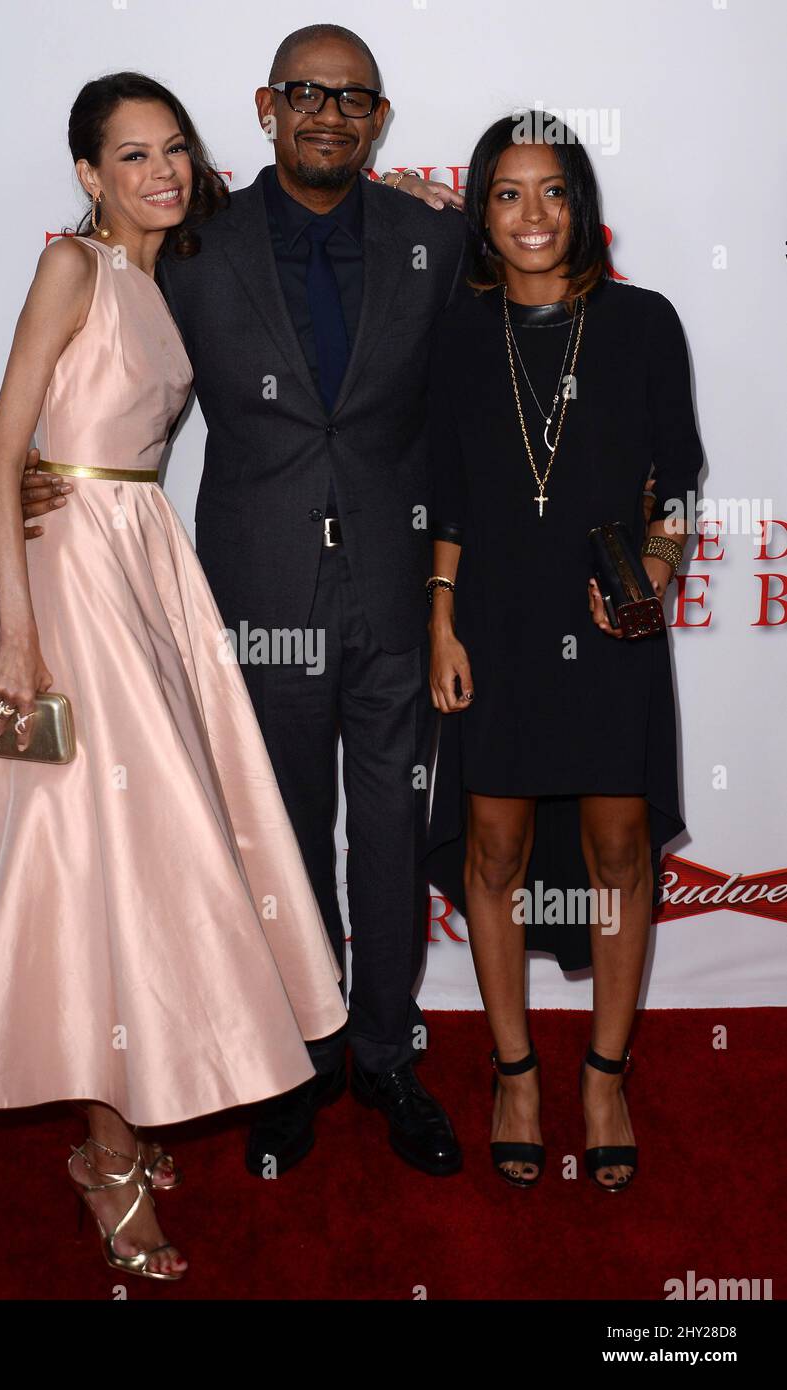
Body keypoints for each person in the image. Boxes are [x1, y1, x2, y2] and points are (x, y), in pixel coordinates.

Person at [0, 72, 348, 1282]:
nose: (159, 172)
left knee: (148, 863)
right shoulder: (72, 269)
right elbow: (1, 452)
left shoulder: (163, 276)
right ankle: (108, 1157)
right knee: (89, 876)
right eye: (130, 156)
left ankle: (119, 1118)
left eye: (172, 150)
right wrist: (21, 637)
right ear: (87, 175)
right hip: (70, 586)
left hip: (143, 568)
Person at [22, 24, 469, 1179]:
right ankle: (301, 1057)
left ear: (377, 117)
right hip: (251, 582)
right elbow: (90, 325)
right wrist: (50, 469)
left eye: (352, 98)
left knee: (388, 828)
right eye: (305, 94)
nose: (328, 113)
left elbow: (485, 399)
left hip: (391, 579)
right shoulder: (193, 236)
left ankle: (385, 1051)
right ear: (266, 105)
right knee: (274, 838)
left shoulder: (433, 235)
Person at [422, 113, 703, 1191]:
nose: (532, 214)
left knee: (619, 853)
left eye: (552, 191)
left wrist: (659, 572)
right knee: (490, 850)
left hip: (606, 617)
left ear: (580, 205)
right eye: (506, 192)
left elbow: (673, 475)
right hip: (491, 619)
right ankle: (513, 1074)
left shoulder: (641, 323)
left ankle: (603, 1074)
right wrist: (441, 618)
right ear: (481, 214)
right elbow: (443, 495)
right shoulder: (457, 335)